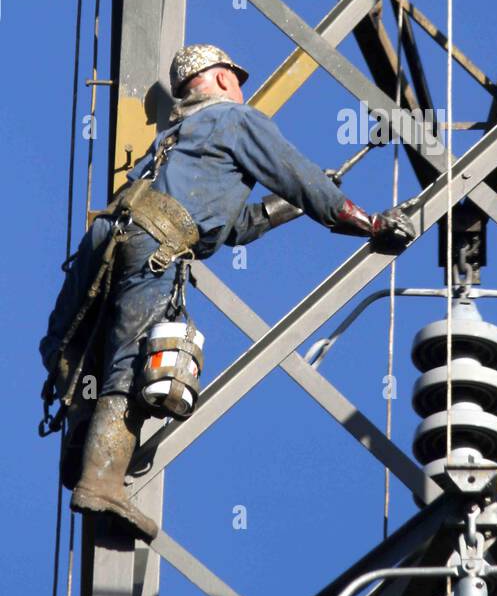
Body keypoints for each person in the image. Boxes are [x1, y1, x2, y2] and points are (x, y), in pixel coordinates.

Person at [39, 43, 416, 541]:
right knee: (135, 362)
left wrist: (285, 208)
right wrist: (369, 223)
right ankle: (101, 481)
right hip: (157, 240)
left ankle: (81, 432)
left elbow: (232, 224)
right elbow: (305, 183)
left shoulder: (177, 136)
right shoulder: (238, 120)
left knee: (81, 345)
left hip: (110, 236)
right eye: (235, 77)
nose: (240, 86)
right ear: (219, 80)